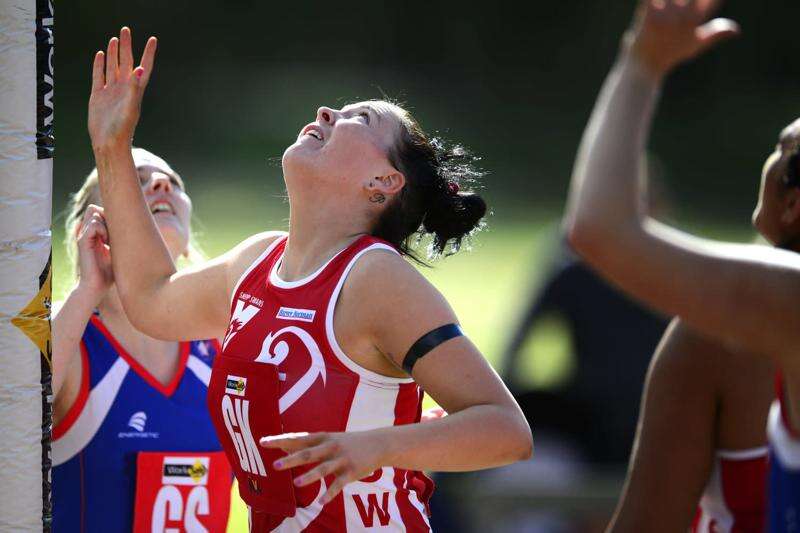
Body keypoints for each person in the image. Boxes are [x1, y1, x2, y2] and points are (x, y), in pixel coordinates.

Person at [85, 27, 533, 532]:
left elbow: (507, 430)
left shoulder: (375, 278)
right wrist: (113, 145)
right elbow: (149, 300)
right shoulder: (254, 263)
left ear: (382, 184)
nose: (326, 113)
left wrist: (375, 447)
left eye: (358, 118)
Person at [563, 0, 800, 530]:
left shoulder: (727, 332)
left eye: (781, 149)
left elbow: (600, 229)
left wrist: (642, 64)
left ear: (791, 203)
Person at [51, 148, 232, 532]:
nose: (162, 183)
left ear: (185, 240)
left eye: (173, 183)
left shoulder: (224, 347)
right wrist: (88, 289)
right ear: (90, 227)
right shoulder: (74, 346)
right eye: (137, 181)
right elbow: (14, 406)